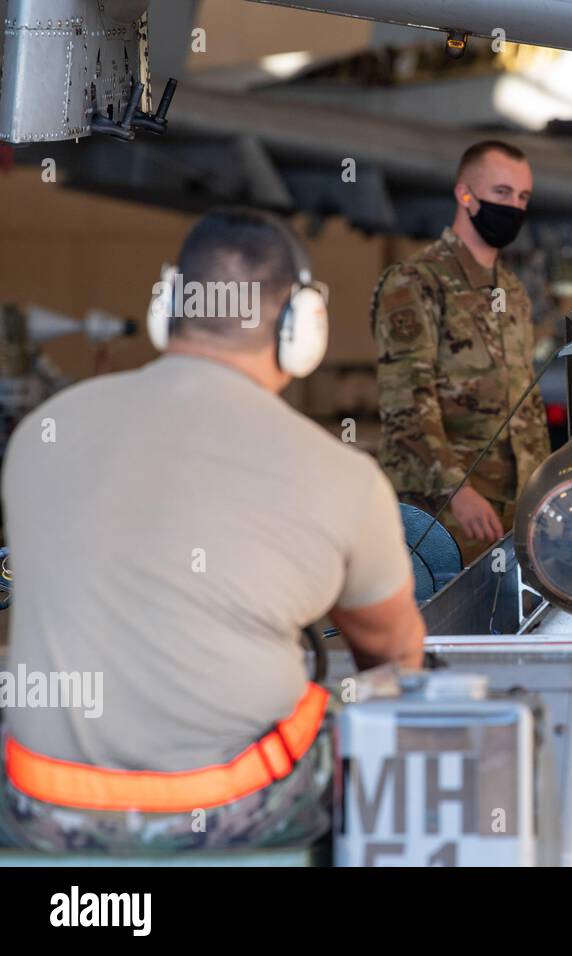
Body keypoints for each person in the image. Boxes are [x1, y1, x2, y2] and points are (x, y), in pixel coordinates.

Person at [0, 208, 425, 852]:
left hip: (45, 802)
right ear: (300, 328)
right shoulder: (342, 473)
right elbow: (394, 657)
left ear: (168, 303)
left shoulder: (42, 432)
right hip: (228, 802)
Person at [371, 140, 551, 563]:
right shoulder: (416, 282)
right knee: (440, 624)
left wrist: (539, 491)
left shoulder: (511, 289)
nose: (514, 207)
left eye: (523, 197)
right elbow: (407, 403)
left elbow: (523, 399)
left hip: (512, 513)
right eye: (502, 193)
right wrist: (459, 492)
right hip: (443, 514)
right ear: (464, 194)